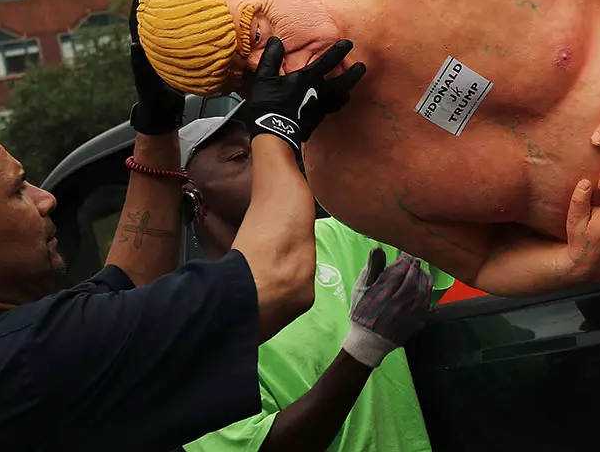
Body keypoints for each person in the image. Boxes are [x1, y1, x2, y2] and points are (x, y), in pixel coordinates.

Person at [0, 0, 365, 451]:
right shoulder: (17, 364)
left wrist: (158, 118)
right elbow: (276, 281)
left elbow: (129, 280)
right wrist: (277, 127)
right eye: (17, 191)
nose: (45, 199)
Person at [132, 0, 600, 296]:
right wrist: (570, 264)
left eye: (256, 36)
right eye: (241, 78)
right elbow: (484, 262)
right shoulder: (342, 179)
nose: (272, 67)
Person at [177, 113, 453, 452]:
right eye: (239, 157)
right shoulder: (188, 324)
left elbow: (439, 209)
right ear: (189, 192)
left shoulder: (339, 237)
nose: (272, 162)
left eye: (268, 148)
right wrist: (364, 347)